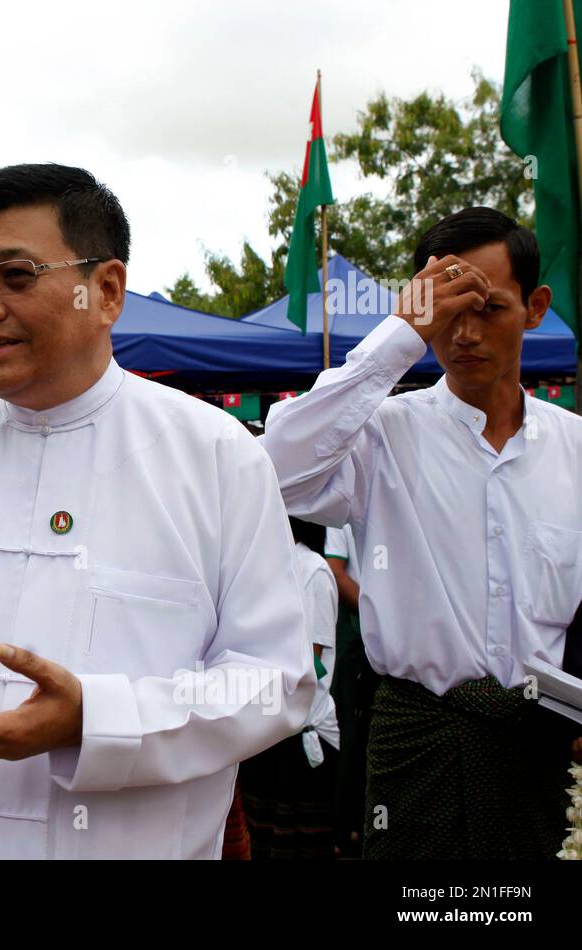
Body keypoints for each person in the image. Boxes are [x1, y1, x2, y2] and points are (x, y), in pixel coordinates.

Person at [0, 164, 315, 859]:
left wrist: (97, 722)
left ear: (104, 292)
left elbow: (274, 684)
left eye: (15, 275)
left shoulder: (214, 455)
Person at [263, 207, 582, 859]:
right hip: (416, 737)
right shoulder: (381, 434)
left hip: (540, 741)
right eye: (444, 313)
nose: (463, 333)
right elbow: (276, 467)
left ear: (535, 306)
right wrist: (400, 336)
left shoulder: (574, 448)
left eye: (488, 308)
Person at [240, 518, 339, 860]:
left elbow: (314, 662)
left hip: (302, 735)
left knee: (301, 845)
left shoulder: (313, 571)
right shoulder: (263, 570)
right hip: (264, 729)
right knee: (262, 839)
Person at [322, 522, 375, 857]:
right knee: (349, 731)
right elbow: (335, 570)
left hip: (391, 642)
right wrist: (381, 615)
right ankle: (343, 829)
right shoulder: (343, 512)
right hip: (358, 633)